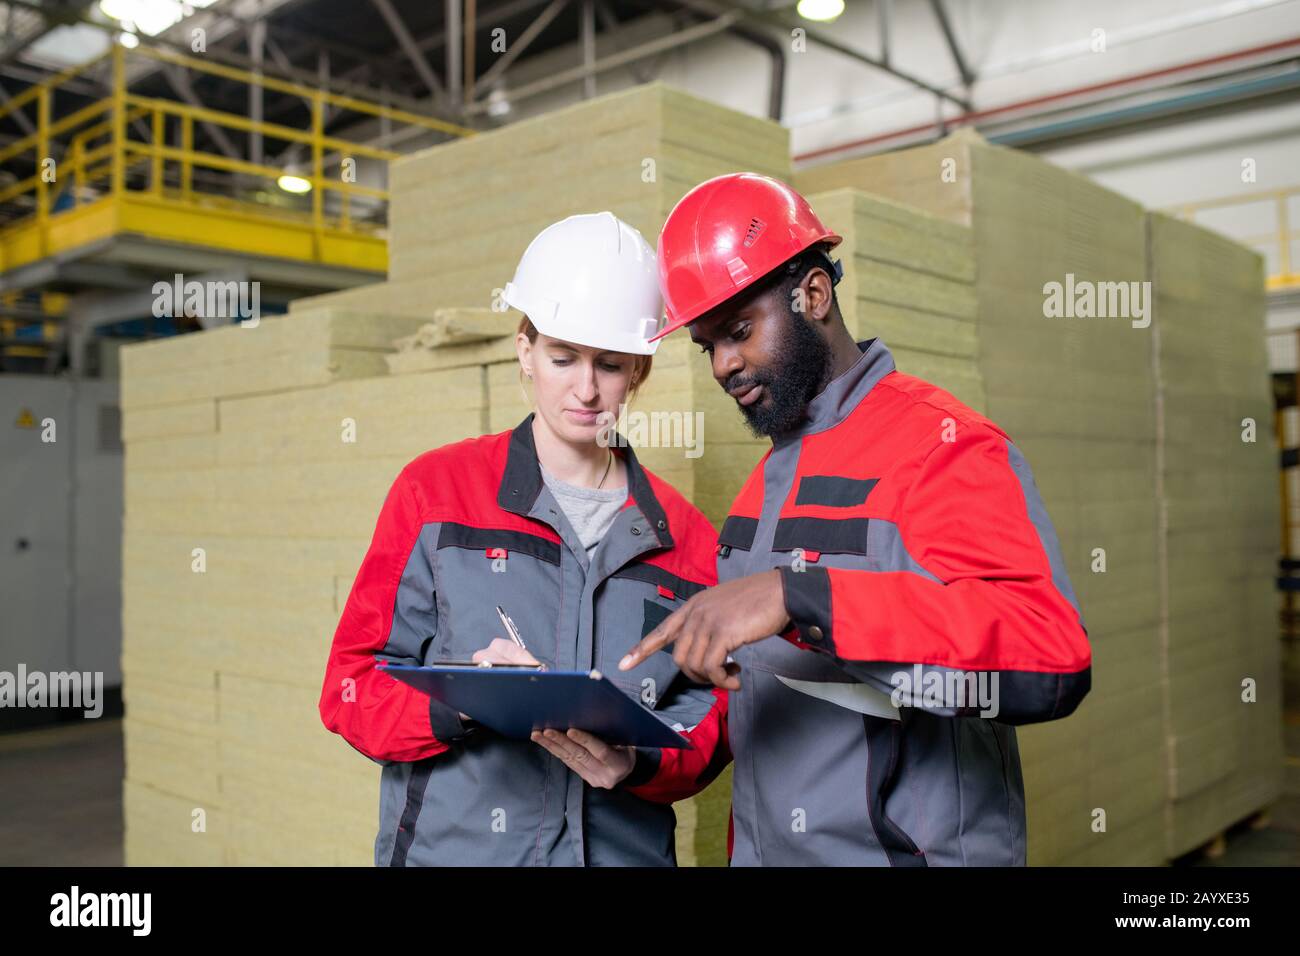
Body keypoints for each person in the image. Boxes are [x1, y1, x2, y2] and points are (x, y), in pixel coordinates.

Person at [619, 173, 1092, 866]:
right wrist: (637, 757)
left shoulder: (941, 447)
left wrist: (800, 595)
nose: (723, 364)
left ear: (812, 293)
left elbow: (1051, 657)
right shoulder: (761, 491)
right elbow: (753, 701)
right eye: (707, 344)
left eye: (741, 330)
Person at [319, 212, 728, 866]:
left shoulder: (688, 540)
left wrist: (639, 762)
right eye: (563, 357)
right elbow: (349, 689)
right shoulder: (434, 493)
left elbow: (712, 725)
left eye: (612, 364)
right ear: (524, 350)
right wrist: (463, 701)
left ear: (641, 371)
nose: (586, 389)